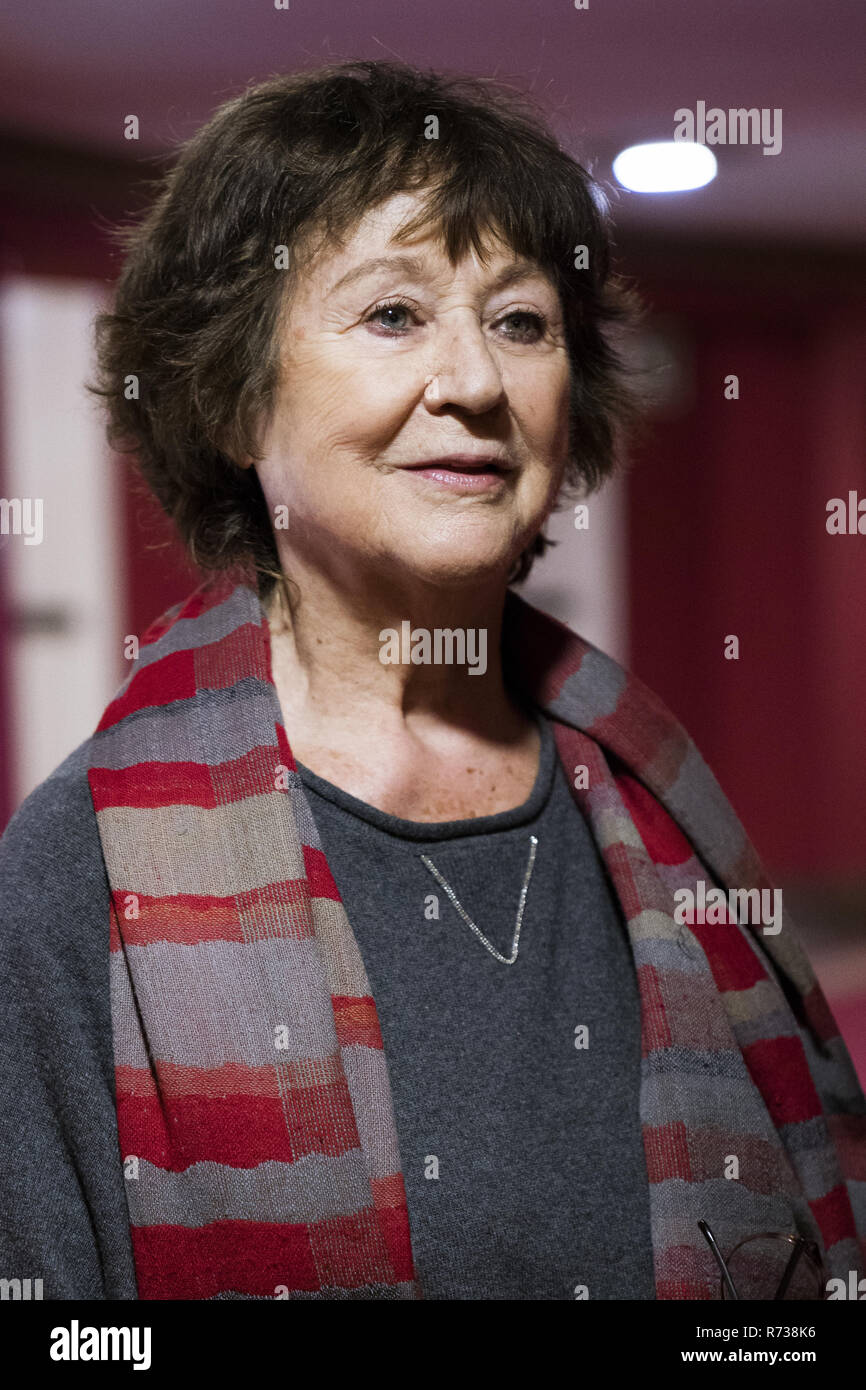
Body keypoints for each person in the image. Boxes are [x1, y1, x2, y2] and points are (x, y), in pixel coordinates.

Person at [0, 60, 863, 1302]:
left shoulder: (663, 802)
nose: (473, 383)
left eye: (520, 322)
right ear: (237, 402)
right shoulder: (79, 872)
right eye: (393, 314)